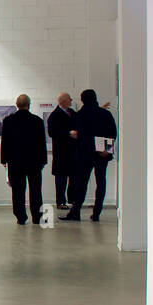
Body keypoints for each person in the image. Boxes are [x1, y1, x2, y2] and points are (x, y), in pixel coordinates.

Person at [64, 88, 117, 222]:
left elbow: (78, 133)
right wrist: (107, 150)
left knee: (81, 183)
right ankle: (97, 213)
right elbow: (113, 133)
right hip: (101, 154)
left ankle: (76, 212)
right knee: (101, 182)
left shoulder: (81, 114)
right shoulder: (105, 114)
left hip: (85, 154)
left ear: (82, 100)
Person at [0, 94, 48, 225]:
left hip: (15, 162)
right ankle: (37, 217)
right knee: (36, 190)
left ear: (17, 104)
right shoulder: (37, 121)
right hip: (34, 162)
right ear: (29, 104)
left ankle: (20, 217)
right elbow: (41, 143)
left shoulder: (8, 120)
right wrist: (43, 160)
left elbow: (5, 142)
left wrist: (4, 160)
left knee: (17, 191)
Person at [47, 92, 76, 209]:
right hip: (61, 153)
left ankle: (72, 199)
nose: (71, 100)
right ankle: (61, 201)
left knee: (74, 177)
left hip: (73, 152)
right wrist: (68, 133)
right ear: (64, 101)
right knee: (61, 179)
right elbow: (52, 132)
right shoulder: (54, 116)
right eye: (70, 99)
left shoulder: (72, 113)